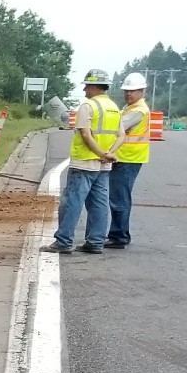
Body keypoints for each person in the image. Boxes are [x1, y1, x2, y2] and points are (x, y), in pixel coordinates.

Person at [45, 69, 120, 254]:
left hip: (84, 163)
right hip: (103, 165)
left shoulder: (88, 106)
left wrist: (100, 152)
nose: (85, 89)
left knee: (72, 201)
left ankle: (63, 241)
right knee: (99, 203)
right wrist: (108, 153)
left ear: (94, 87)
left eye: (87, 86)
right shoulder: (114, 108)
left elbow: (85, 134)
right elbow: (121, 135)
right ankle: (95, 242)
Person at [107, 72, 150, 248]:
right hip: (125, 158)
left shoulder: (138, 111)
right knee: (119, 197)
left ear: (142, 91)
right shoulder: (129, 108)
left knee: (119, 199)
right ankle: (120, 233)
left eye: (132, 91)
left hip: (128, 159)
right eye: (126, 91)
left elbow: (116, 127)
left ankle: (119, 236)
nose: (128, 94)